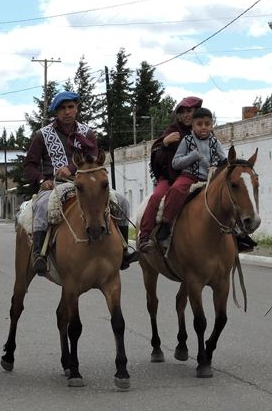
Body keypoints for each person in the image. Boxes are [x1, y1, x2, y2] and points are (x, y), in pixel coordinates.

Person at [23, 90, 138, 275]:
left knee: (121, 201)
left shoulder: (87, 133)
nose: (67, 112)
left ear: (76, 109)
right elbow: (29, 165)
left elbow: (92, 157)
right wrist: (42, 180)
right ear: (55, 112)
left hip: (86, 182)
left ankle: (124, 251)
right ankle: (39, 254)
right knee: (43, 205)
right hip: (56, 185)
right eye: (62, 108)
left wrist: (71, 168)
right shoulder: (42, 135)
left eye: (70, 107)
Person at [137, 96, 202, 252]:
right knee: (156, 197)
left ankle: (237, 234)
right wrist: (165, 145)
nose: (187, 115)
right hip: (171, 178)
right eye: (183, 112)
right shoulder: (172, 132)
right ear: (178, 116)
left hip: (199, 175)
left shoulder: (203, 130)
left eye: (190, 111)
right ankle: (144, 236)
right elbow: (157, 159)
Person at [155, 107, 229, 239]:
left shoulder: (214, 142)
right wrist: (192, 156)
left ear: (212, 125)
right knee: (176, 189)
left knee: (228, 193)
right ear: (193, 126)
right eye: (199, 124)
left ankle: (236, 230)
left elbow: (224, 159)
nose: (204, 127)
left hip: (209, 178)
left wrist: (220, 164)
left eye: (207, 124)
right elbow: (175, 163)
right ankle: (166, 222)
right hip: (189, 176)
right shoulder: (187, 141)